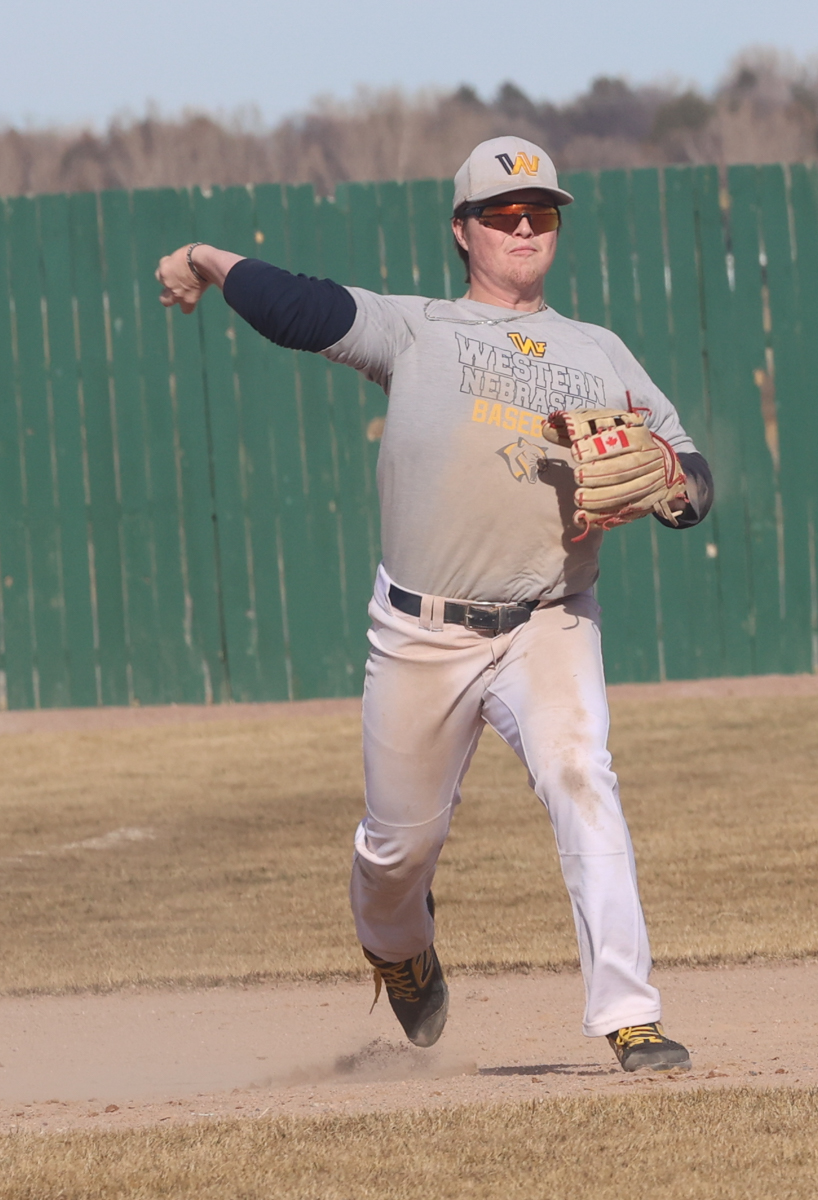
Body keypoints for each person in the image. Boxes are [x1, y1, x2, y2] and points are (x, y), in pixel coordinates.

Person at [156, 136, 711, 1072]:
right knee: (395, 851)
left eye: (541, 211)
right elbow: (300, 308)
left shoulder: (600, 349)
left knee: (585, 781)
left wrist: (671, 481)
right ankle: (399, 949)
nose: (525, 225)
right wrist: (211, 260)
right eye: (503, 213)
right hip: (422, 629)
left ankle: (630, 1013)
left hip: (551, 621)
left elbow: (689, 474)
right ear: (464, 231)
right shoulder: (416, 329)